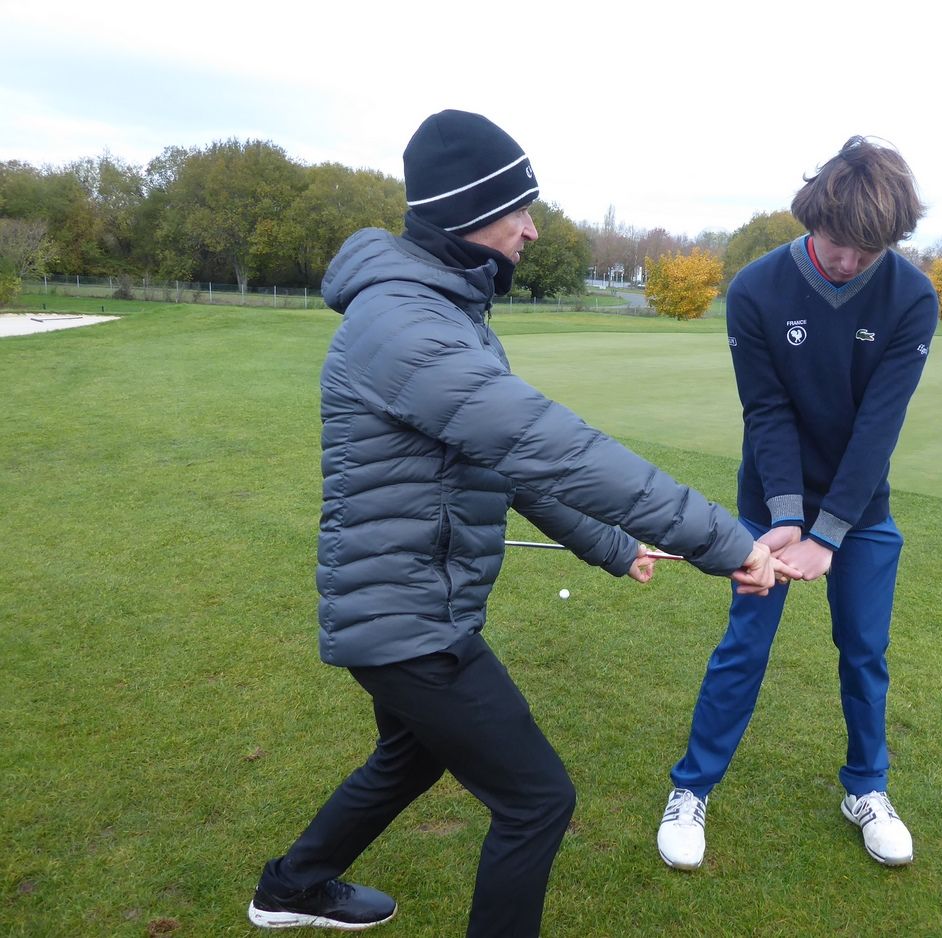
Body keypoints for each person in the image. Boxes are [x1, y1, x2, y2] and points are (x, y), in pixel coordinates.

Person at [245, 110, 792, 936]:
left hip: (411, 611)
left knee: (411, 756)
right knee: (539, 801)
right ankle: (295, 883)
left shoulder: (441, 312)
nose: (534, 230)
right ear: (468, 214)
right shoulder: (407, 327)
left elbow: (507, 467)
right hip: (410, 624)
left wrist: (613, 547)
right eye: (520, 210)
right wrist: (728, 541)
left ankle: (292, 885)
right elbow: (553, 447)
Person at [655, 135, 938, 871]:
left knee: (864, 651)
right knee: (744, 646)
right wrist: (787, 521)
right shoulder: (755, 290)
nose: (848, 261)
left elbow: (880, 426)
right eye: (840, 241)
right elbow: (767, 410)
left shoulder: (913, 296)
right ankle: (691, 790)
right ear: (813, 216)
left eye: (868, 250)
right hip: (767, 502)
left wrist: (830, 533)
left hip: (862, 511)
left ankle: (866, 789)